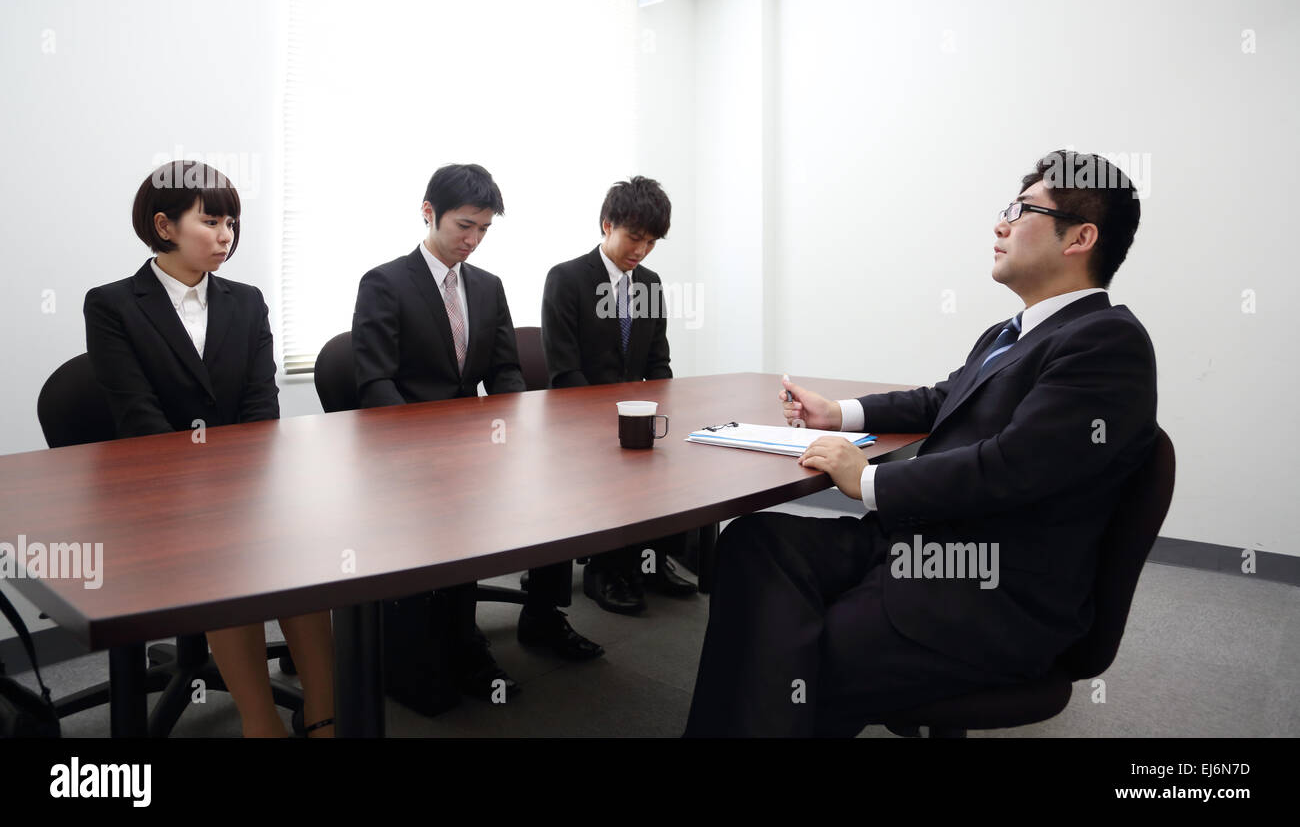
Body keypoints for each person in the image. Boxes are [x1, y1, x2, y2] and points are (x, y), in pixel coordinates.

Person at [684, 150, 1158, 736]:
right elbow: (942, 400)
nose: (1000, 224)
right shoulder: (1012, 333)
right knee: (755, 542)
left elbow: (1013, 466)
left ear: (1080, 237)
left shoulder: (1107, 343)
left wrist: (868, 479)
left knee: (789, 654)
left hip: (988, 588)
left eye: (1021, 209)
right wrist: (838, 412)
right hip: (917, 541)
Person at [83, 161, 336, 737]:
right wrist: (217, 498)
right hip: (158, 491)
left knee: (299, 553)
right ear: (164, 226)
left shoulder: (246, 302)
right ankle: (260, 724)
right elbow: (139, 418)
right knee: (229, 560)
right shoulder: (113, 305)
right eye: (212, 220)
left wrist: (245, 491)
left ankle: (323, 715)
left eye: (232, 222)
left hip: (244, 485)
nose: (227, 235)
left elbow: (260, 408)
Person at [351, 163, 603, 714]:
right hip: (409, 453)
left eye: (484, 230)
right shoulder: (385, 282)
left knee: (557, 481)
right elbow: (373, 383)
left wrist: (516, 430)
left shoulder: (487, 287)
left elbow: (506, 373)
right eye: (464, 226)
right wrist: (430, 450)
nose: (473, 240)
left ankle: (542, 614)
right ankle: (461, 641)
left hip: (477, 448)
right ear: (428, 212)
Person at [541, 176, 697, 614]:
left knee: (670, 456)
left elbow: (658, 365)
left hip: (636, 414)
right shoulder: (567, 279)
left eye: (650, 242)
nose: (640, 251)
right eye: (634, 238)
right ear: (606, 224)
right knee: (619, 465)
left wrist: (660, 412)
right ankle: (605, 572)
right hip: (578, 418)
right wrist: (613, 422)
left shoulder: (649, 283)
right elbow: (564, 372)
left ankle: (650, 563)